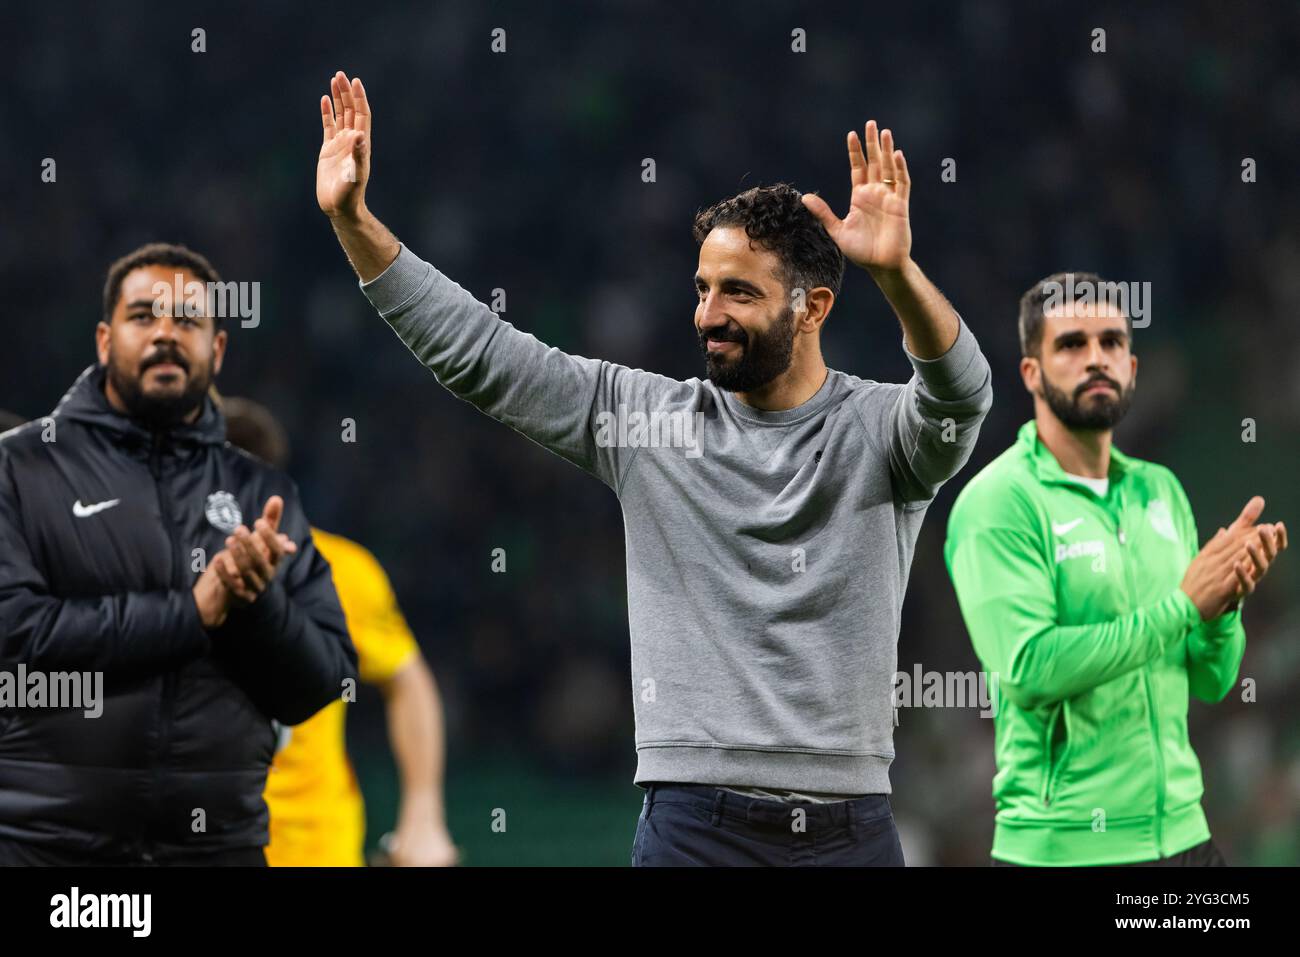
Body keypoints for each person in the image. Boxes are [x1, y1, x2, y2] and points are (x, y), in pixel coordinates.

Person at [316, 70, 992, 866]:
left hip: (849, 828)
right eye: (703, 289)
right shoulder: (648, 424)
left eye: (738, 292)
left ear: (812, 308)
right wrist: (355, 223)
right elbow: (484, 356)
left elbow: (961, 397)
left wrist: (897, 275)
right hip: (693, 827)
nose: (708, 315)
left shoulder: (881, 430)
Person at [0, 242, 356, 865]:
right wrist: (193, 613)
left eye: (187, 320)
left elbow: (321, 683)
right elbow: (15, 638)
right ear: (105, 341)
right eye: (144, 316)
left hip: (219, 852)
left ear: (216, 350)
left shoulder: (263, 492)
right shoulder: (21, 470)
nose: (166, 334)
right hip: (50, 854)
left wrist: (256, 602)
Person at [944, 273, 1287, 867]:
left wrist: (1221, 611)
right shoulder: (999, 501)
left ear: (1132, 367)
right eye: (1072, 344)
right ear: (1031, 372)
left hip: (1185, 839)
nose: (1096, 358)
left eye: (1112, 342)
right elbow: (1029, 666)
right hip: (1065, 850)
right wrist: (1183, 606)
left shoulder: (1161, 492)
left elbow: (1211, 681)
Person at [222, 397, 458, 867]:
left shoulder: (342, 572)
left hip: (313, 849)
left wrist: (424, 814)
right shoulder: (155, 569)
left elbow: (407, 679)